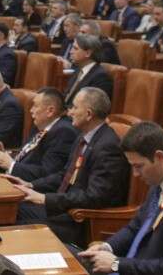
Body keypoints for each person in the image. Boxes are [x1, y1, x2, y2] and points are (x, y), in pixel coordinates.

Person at [77, 120, 163, 275]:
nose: (135, 174)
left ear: (159, 157)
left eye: (139, 166)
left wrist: (117, 264)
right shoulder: (159, 182)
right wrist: (106, 248)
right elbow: (135, 227)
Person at [12, 88, 131, 244]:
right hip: (64, 208)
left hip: (79, 221)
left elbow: (95, 196)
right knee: (11, 207)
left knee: (12, 228)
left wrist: (46, 198)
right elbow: (65, 175)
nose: (69, 112)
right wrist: (32, 184)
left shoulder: (107, 146)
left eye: (75, 107)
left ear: (88, 114)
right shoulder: (83, 137)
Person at [0, 87, 78, 182]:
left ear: (50, 111)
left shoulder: (64, 132)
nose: (31, 110)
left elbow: (47, 172)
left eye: (35, 106)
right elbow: (24, 154)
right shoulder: (41, 125)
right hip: (12, 179)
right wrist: (2, 155)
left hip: (29, 188)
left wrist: (11, 165)